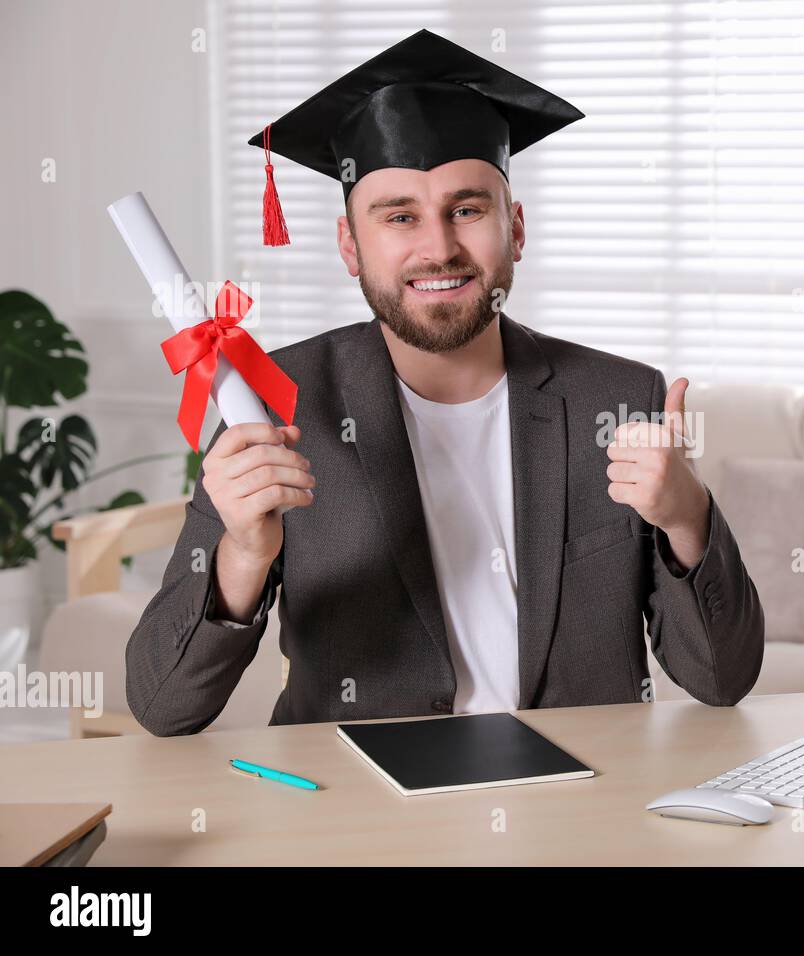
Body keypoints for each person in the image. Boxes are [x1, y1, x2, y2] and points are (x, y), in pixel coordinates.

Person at [126, 30, 764, 735]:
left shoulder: (616, 402)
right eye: (399, 216)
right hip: (364, 814)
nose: (437, 247)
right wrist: (244, 555)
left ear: (514, 228)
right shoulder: (275, 403)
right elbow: (163, 708)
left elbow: (722, 679)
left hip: (575, 802)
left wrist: (685, 517)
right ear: (350, 247)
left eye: (467, 210)